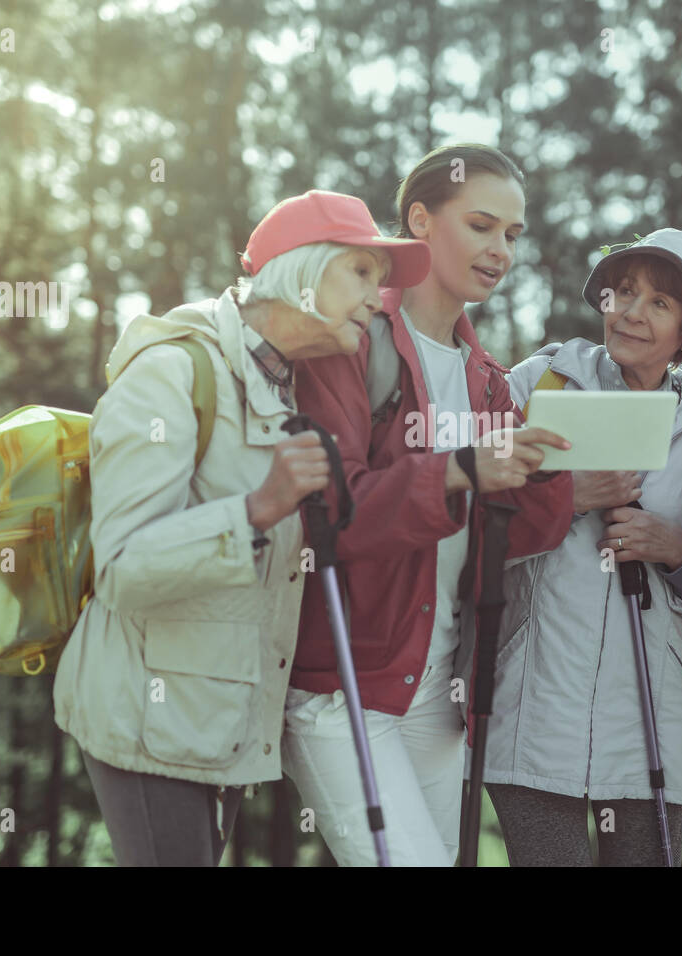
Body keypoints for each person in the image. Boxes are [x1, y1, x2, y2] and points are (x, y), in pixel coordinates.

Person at [52, 190, 431, 866]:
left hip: (214, 727)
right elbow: (122, 568)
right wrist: (259, 508)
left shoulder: (282, 384)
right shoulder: (170, 374)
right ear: (301, 270)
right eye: (361, 273)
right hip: (147, 722)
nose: (379, 299)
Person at [281, 144, 576, 866]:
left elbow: (516, 537)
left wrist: (549, 475)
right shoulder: (352, 342)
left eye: (513, 235)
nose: (500, 250)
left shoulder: (490, 381)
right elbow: (333, 513)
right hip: (342, 686)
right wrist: (463, 467)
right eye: (481, 225)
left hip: (440, 688)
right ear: (420, 220)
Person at [481, 228, 682, 866]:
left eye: (659, 303)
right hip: (532, 719)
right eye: (624, 292)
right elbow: (468, 526)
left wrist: (679, 553)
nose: (630, 312)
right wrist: (564, 500)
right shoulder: (535, 385)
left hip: (655, 733)